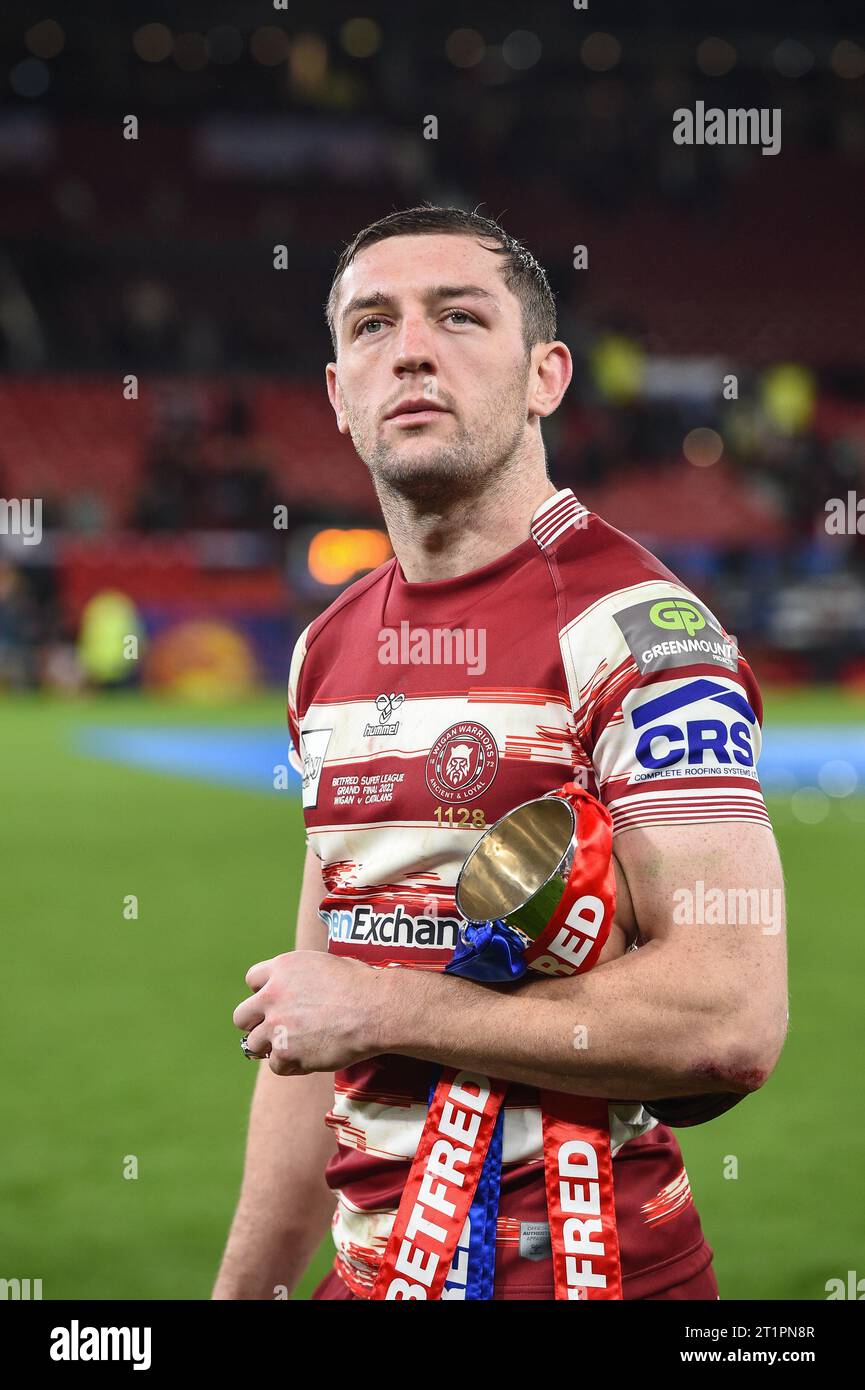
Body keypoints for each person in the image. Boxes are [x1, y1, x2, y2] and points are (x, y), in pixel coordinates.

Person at [213, 206, 788, 1301]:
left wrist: (384, 1008)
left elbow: (730, 1016)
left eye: (460, 316)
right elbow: (312, 1030)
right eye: (372, 324)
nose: (413, 348)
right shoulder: (323, 652)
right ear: (338, 396)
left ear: (545, 376)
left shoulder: (641, 633)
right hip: (369, 1272)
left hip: (592, 1270)